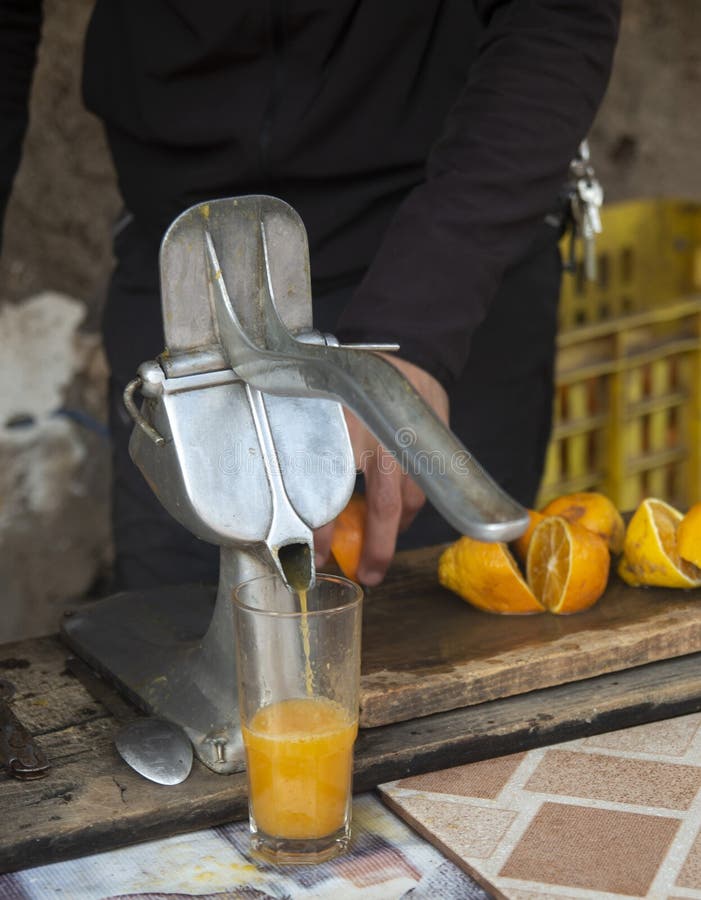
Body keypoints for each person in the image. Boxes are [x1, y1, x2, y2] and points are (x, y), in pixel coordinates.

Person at [1, 1, 620, 590]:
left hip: (448, 258)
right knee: (182, 637)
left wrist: (416, 329)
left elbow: (557, 15)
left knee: (451, 633)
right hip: (191, 272)